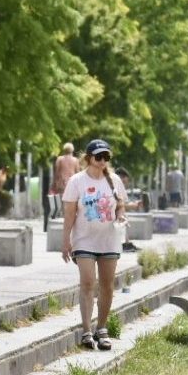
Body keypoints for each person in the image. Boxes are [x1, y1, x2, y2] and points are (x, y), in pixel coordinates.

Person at [61, 138, 127, 351]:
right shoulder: (77, 181)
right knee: (88, 283)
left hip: (109, 240)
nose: (102, 161)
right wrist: (65, 241)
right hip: (84, 239)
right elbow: (69, 213)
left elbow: (121, 205)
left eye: (106, 157)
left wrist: (120, 216)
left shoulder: (114, 180)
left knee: (107, 286)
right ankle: (87, 331)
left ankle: (102, 328)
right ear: (88, 158)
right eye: (98, 157)